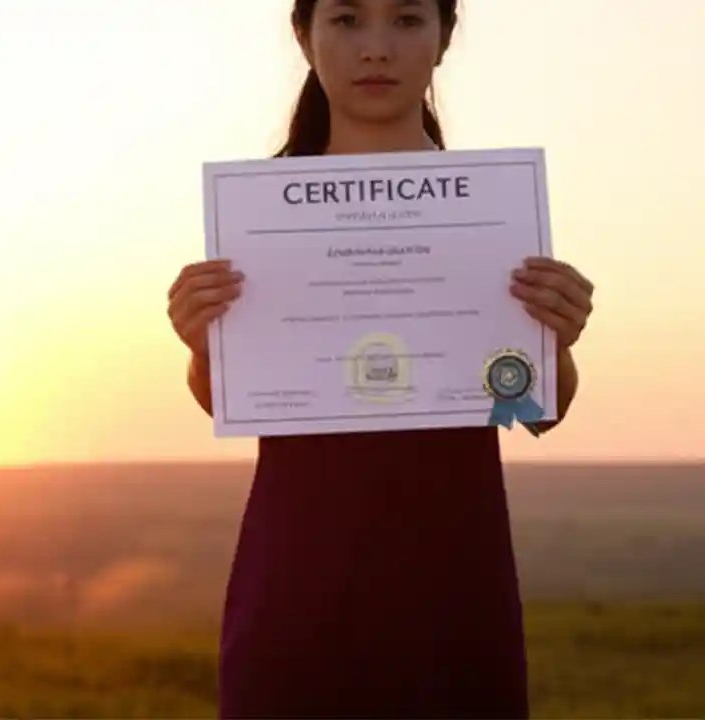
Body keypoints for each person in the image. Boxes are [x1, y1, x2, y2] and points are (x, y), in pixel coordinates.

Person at [165, 0, 597, 717]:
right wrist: (198, 341)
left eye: (405, 19)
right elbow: (227, 397)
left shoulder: (489, 211)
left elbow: (534, 411)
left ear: (444, 36)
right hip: (297, 572)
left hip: (452, 572)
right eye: (346, 20)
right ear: (303, 35)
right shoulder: (262, 211)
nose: (376, 48)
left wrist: (557, 340)